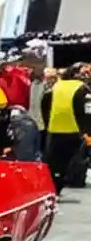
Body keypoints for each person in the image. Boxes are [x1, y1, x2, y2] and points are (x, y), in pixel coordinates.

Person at [39, 66, 91, 194]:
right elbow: (87, 111)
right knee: (76, 159)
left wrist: (47, 123)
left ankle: (55, 185)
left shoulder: (55, 87)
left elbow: (44, 105)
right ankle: (74, 180)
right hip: (75, 130)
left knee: (54, 161)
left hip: (54, 129)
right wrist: (87, 130)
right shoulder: (82, 89)